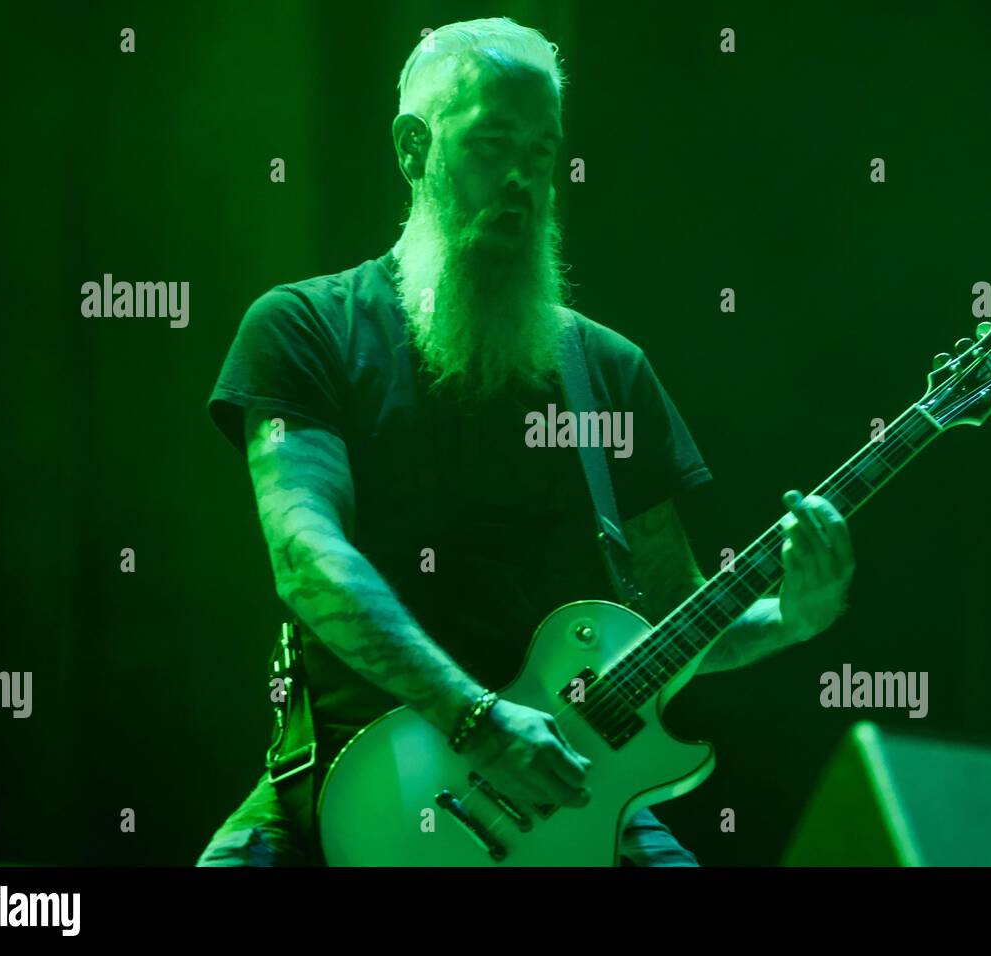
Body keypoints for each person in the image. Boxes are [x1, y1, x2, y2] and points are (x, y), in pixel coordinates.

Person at [196, 16, 854, 867]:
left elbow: (670, 616)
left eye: (541, 153)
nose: (522, 179)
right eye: (492, 143)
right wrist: (475, 717)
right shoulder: (304, 327)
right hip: (351, 783)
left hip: (566, 795)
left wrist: (788, 620)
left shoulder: (607, 370)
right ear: (412, 148)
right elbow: (307, 560)